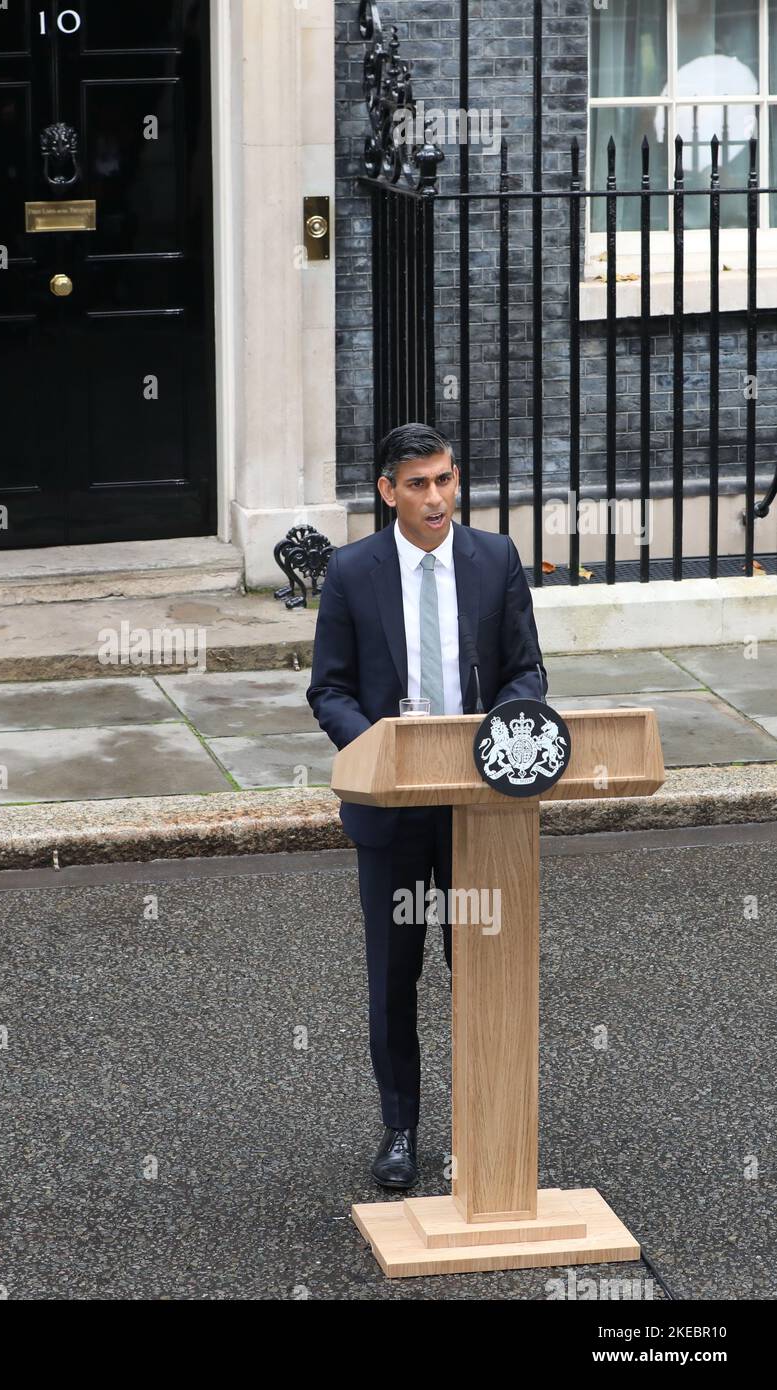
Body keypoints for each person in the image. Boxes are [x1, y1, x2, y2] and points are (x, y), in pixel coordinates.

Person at [306, 422, 547, 1189]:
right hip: (394, 807)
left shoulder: (495, 559)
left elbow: (524, 673)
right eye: (417, 484)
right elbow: (330, 689)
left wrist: (500, 733)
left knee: (478, 961)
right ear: (387, 492)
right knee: (394, 975)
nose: (435, 497)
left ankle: (485, 1118)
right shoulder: (350, 572)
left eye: (444, 479)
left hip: (478, 807)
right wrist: (378, 748)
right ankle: (400, 1129)